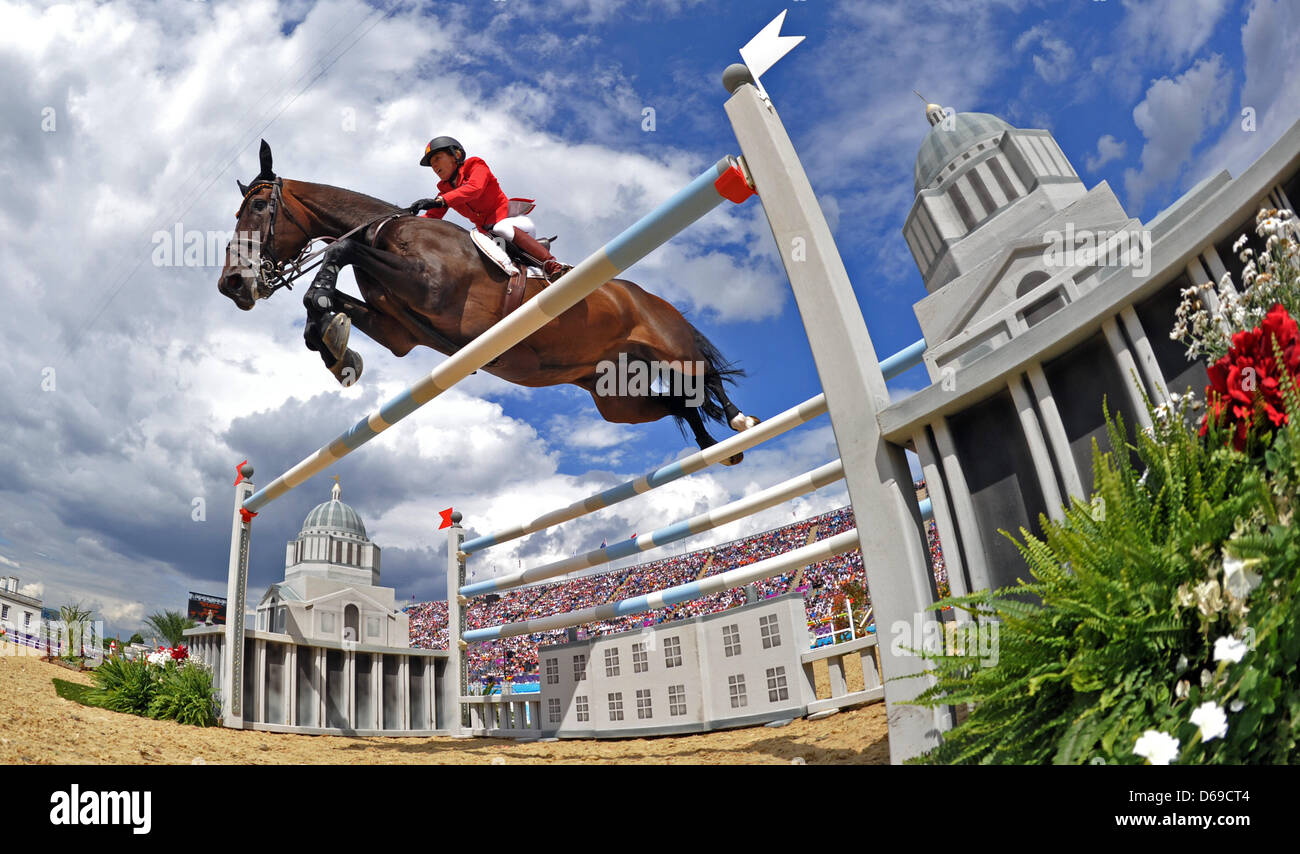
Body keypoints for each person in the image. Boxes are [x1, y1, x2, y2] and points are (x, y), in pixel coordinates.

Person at [407, 136, 568, 282]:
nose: (434, 165)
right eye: (431, 163)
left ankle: (553, 265)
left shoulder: (475, 165)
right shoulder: (445, 191)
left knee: (501, 228)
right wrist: (405, 219)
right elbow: (431, 218)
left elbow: (474, 188)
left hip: (512, 223)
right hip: (489, 237)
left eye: (437, 158)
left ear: (455, 155)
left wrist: (441, 201)